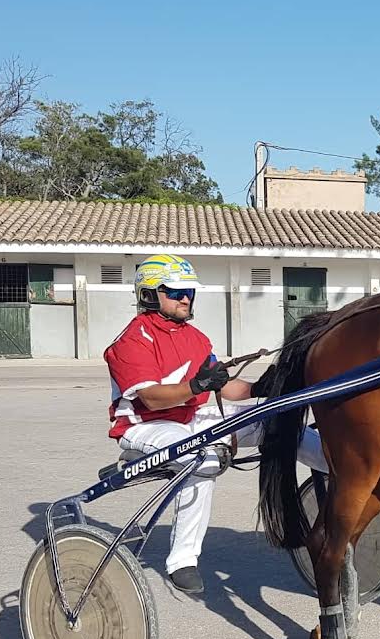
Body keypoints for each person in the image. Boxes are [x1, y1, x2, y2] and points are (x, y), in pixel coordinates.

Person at [104, 254, 326, 594]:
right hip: (146, 427)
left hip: (192, 419)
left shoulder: (195, 338)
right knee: (203, 458)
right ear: (149, 294)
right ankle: (182, 560)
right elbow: (152, 399)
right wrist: (197, 386)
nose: (185, 298)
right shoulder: (131, 342)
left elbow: (224, 387)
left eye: (189, 292)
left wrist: (260, 388)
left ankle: (336, 466)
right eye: (175, 291)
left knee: (278, 419)